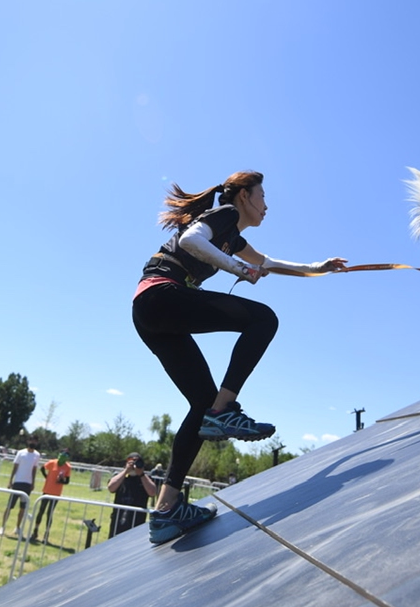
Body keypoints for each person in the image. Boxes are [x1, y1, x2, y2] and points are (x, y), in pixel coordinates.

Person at [133, 170, 347, 543]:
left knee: (200, 402)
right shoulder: (224, 215)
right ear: (245, 196)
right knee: (263, 319)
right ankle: (224, 411)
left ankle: (166, 511)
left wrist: (318, 269)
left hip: (149, 309)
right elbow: (191, 240)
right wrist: (237, 268)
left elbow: (268, 262)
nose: (267, 205)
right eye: (262, 196)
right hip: (162, 296)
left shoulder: (230, 236)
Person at [107, 452, 158, 538]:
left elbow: (152, 492)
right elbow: (111, 488)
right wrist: (125, 471)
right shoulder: (120, 476)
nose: (134, 465)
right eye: (131, 462)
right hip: (118, 519)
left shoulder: (145, 478)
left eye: (137, 462)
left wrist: (141, 474)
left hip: (137, 520)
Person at [0, 437, 39, 540]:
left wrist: (33, 482)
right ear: (28, 441)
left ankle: (17, 527)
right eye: (31, 440)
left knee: (23, 508)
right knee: (10, 506)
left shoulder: (37, 455)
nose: (32, 442)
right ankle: (2, 526)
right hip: (18, 482)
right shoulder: (21, 453)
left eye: (34, 441)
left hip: (27, 484)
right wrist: (10, 480)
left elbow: (34, 469)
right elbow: (15, 467)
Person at [30, 450, 71, 543]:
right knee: (41, 510)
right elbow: (42, 468)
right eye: (61, 455)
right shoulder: (52, 463)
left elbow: (67, 481)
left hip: (56, 493)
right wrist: (46, 477)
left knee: (50, 513)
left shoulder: (67, 467)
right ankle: (35, 531)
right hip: (47, 490)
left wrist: (61, 481)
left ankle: (46, 534)